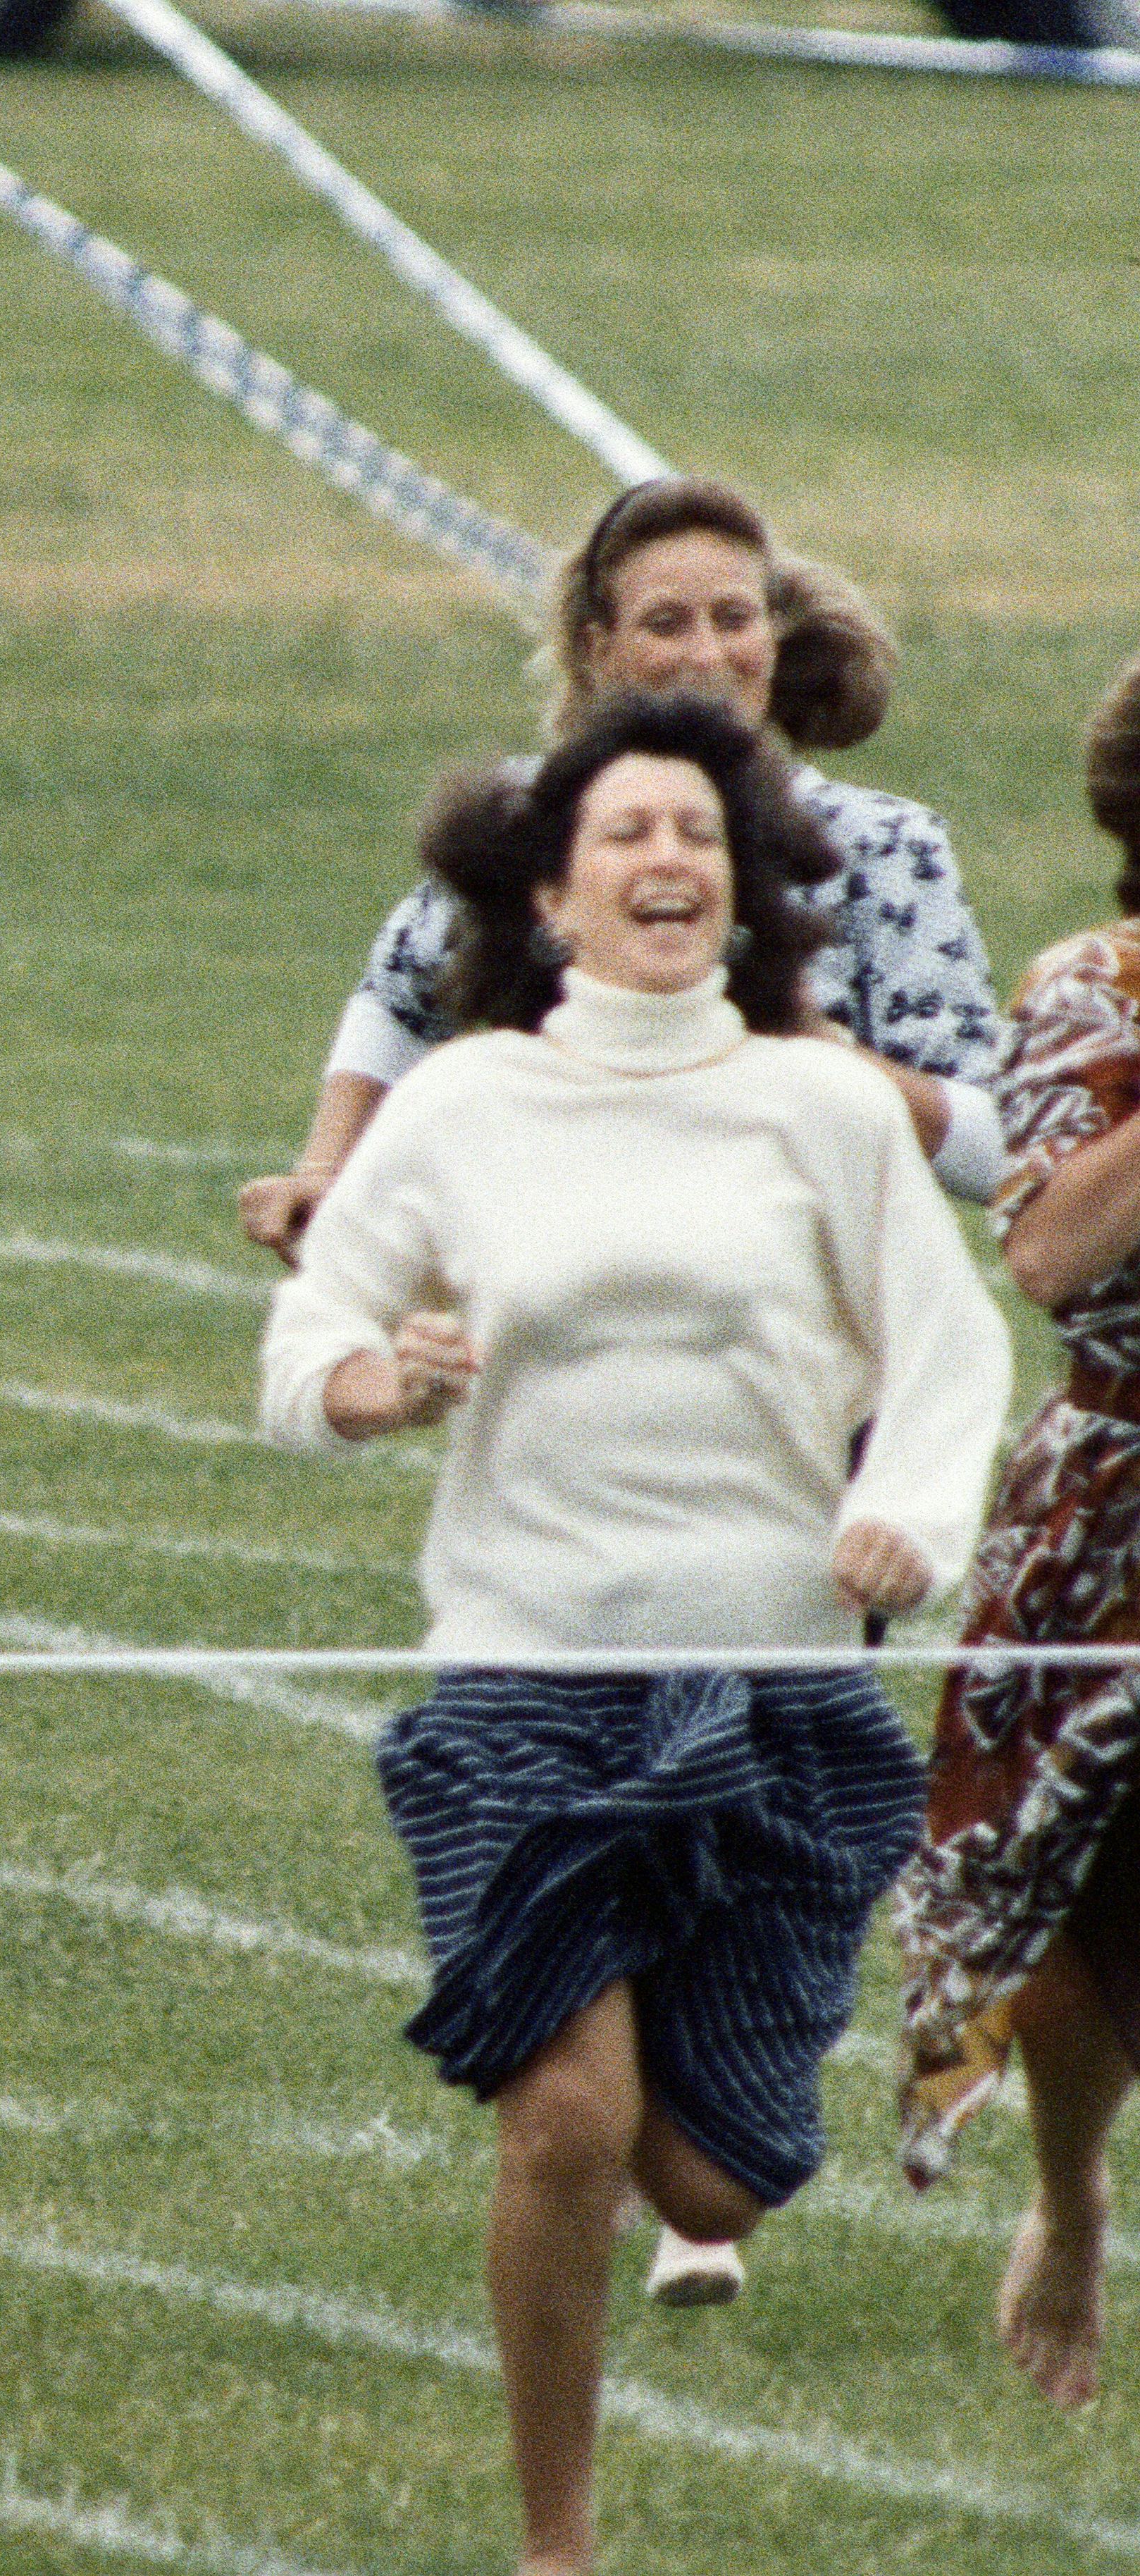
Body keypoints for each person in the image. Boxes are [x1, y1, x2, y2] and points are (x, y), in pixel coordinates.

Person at [259, 690, 1008, 2576]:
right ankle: (557, 2540)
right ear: (552, 891)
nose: (666, 861)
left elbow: (953, 1348)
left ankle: (691, 2107)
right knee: (568, 2113)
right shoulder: (465, 1102)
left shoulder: (825, 1102)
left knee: (714, 2164)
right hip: (526, 1661)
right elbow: (307, 1340)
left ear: (746, 882)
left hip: (777, 1671)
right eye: (625, 836)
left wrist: (908, 1515)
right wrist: (377, 1381)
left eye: (698, 833)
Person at [242, 474, 1004, 1264]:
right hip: (549, 1304)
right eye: (665, 624)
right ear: (597, 649)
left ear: (773, 638)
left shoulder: (877, 848)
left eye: (733, 619)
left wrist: (825, 1061)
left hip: (794, 1327)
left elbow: (998, 1147)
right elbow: (397, 996)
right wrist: (325, 1170)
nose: (706, 655)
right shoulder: (527, 820)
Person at [896, 648, 1140, 2411]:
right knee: (1053, 1923)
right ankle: (1069, 2195)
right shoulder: (1084, 989)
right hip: (1113, 1508)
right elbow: (1049, 1253)